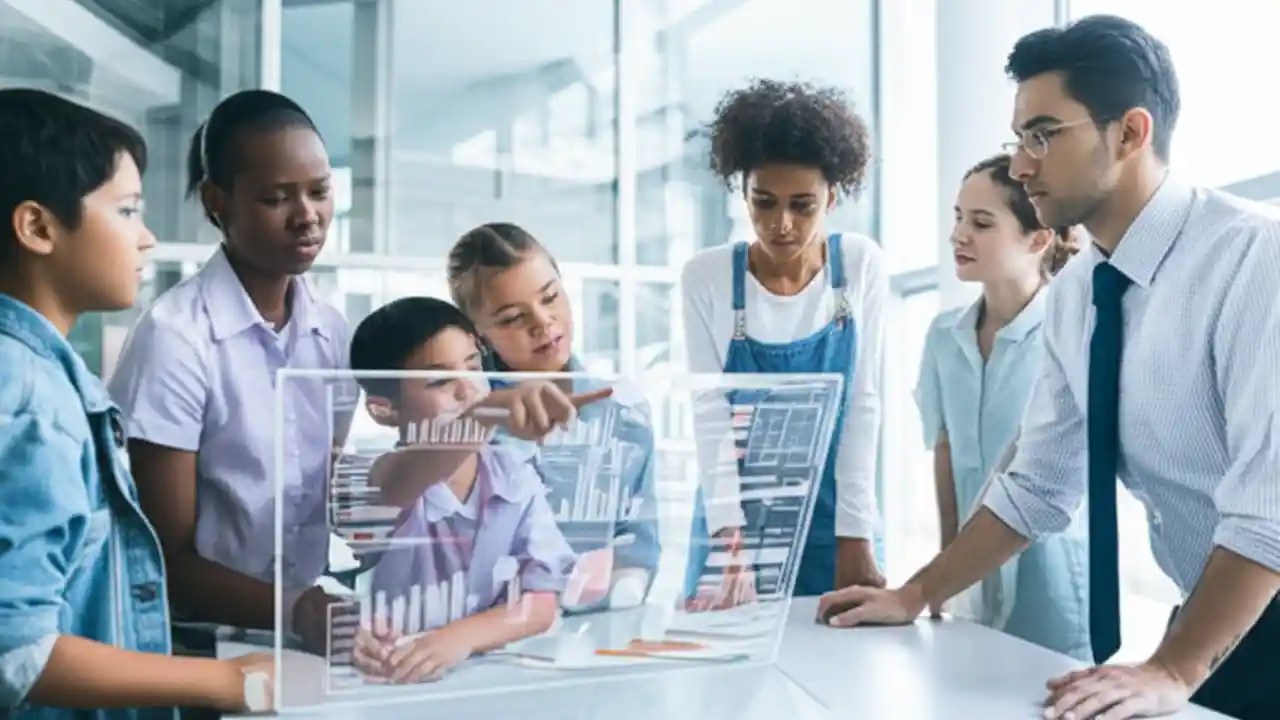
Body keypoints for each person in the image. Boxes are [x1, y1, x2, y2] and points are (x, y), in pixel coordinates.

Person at [818, 15, 1280, 720]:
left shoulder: (1255, 259)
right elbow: (1037, 485)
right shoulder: (1076, 298)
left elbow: (1271, 506)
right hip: (1222, 615)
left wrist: (1172, 667)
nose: (1021, 164)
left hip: (1242, 606)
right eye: (1017, 139)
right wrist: (915, 594)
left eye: (1043, 134)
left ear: (1130, 132)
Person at [0, 88, 273, 717]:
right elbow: (18, 649)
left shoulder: (46, 377)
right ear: (38, 227)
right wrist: (228, 685)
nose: (148, 238)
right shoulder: (30, 397)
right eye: (127, 212)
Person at [107, 90, 351, 654]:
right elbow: (163, 557)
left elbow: (335, 490)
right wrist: (294, 609)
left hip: (299, 636)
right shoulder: (176, 338)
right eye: (275, 198)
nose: (307, 216)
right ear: (218, 202)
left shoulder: (330, 332)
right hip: (191, 643)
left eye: (319, 192)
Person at [680, 79, 887, 600]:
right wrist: (729, 538)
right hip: (735, 519)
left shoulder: (858, 266)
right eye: (763, 202)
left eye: (803, 205)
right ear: (743, 191)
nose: (782, 224)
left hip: (835, 519)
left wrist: (855, 534)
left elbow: (863, 405)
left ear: (832, 197)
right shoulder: (705, 278)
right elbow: (710, 414)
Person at [346, 297, 576, 683]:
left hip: (482, 679)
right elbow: (402, 480)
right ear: (383, 409)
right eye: (440, 380)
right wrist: (489, 413)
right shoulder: (377, 476)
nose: (468, 390)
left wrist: (457, 639)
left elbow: (542, 600)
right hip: (390, 682)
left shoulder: (514, 475)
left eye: (473, 367)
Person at [915, 152, 1089, 659]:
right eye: (958, 217)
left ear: (1038, 240)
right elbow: (944, 451)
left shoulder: (1071, 328)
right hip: (966, 582)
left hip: (1051, 579)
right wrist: (944, 570)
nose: (958, 235)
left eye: (981, 222)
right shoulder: (943, 336)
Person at [446, 222, 661, 612]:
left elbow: (638, 549)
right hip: (483, 639)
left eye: (550, 297)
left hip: (595, 636)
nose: (543, 322)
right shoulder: (463, 426)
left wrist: (616, 599)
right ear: (479, 337)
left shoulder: (625, 415)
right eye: (512, 318)